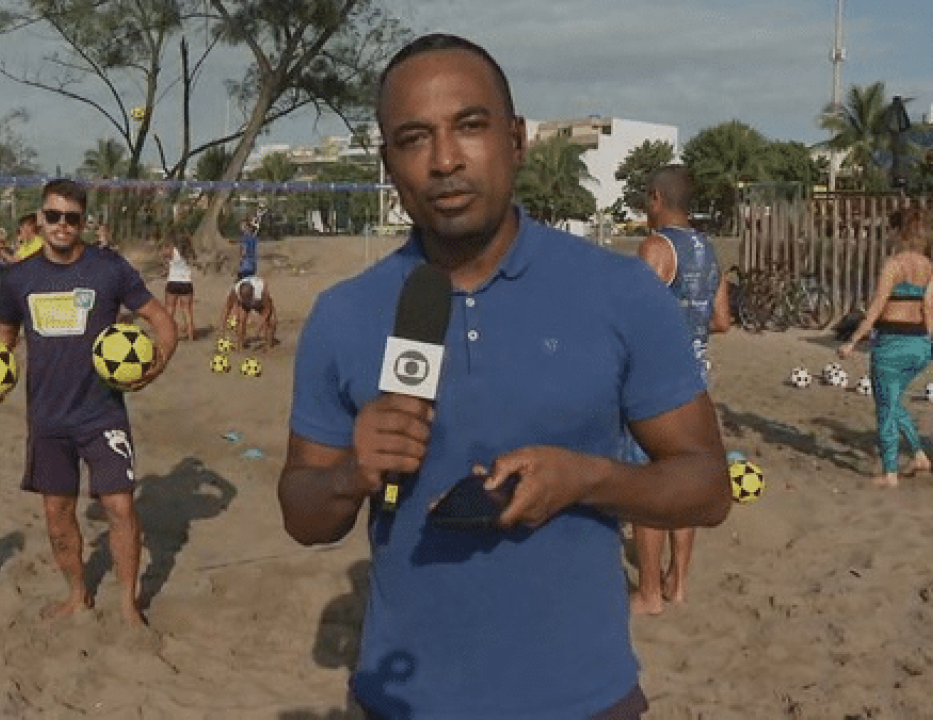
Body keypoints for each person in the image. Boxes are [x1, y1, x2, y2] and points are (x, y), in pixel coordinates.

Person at [278, 34, 731, 718]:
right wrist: (350, 475)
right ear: (388, 164)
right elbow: (302, 515)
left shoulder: (621, 293)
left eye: (470, 125)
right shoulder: (342, 316)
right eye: (413, 137)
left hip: (588, 700)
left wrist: (592, 479)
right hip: (403, 704)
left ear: (515, 140)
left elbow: (708, 487)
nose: (446, 159)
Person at [0, 178, 178, 627]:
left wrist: (159, 363)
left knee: (120, 508)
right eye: (52, 216)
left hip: (102, 412)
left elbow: (160, 319)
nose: (61, 225)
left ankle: (129, 606)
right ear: (38, 220)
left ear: (83, 222)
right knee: (57, 513)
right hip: (47, 417)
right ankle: (78, 595)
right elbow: (2, 340)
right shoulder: (17, 278)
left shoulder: (108, 269)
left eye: (71, 218)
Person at [627, 165, 733, 617]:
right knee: (685, 477)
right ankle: (679, 583)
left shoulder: (655, 248)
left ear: (656, 198)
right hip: (697, 380)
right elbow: (721, 321)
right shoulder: (710, 252)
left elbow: (637, 319)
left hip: (653, 383)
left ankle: (649, 592)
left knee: (648, 485)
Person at [838, 207, 933, 488]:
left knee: (885, 409)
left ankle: (890, 472)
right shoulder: (927, 266)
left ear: (897, 233)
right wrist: (927, 341)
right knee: (892, 401)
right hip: (919, 344)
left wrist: (852, 341)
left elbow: (877, 307)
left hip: (891, 344)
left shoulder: (892, 264)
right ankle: (918, 455)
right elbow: (928, 307)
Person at [219, 274, 276, 351]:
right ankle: (240, 344)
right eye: (245, 300)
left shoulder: (261, 292)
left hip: (259, 301)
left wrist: (259, 326)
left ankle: (268, 344)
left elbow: (267, 311)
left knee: (271, 321)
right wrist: (222, 324)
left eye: (248, 300)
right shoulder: (235, 291)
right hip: (247, 298)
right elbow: (227, 307)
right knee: (241, 319)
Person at [163, 236, 196, 342]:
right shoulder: (190, 253)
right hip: (186, 282)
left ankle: (169, 334)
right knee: (187, 310)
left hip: (173, 281)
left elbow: (163, 255)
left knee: (170, 310)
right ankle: (190, 335)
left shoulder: (172, 250)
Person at [234, 213, 261, 279]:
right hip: (253, 263)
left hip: (246, 264)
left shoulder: (245, 237)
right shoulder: (254, 236)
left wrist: (240, 260)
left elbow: (243, 250)